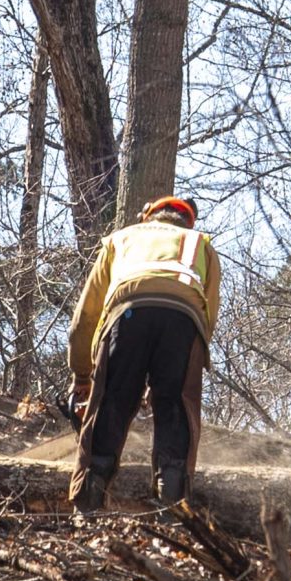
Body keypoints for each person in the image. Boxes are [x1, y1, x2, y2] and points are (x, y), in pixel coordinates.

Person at [68, 195, 222, 516]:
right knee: (175, 408)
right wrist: (177, 369)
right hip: (184, 322)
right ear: (188, 222)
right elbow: (207, 315)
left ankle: (89, 503)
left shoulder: (121, 239)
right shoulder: (200, 245)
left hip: (127, 315)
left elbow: (86, 315)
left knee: (112, 402)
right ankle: (172, 508)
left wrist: (82, 375)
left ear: (147, 215)